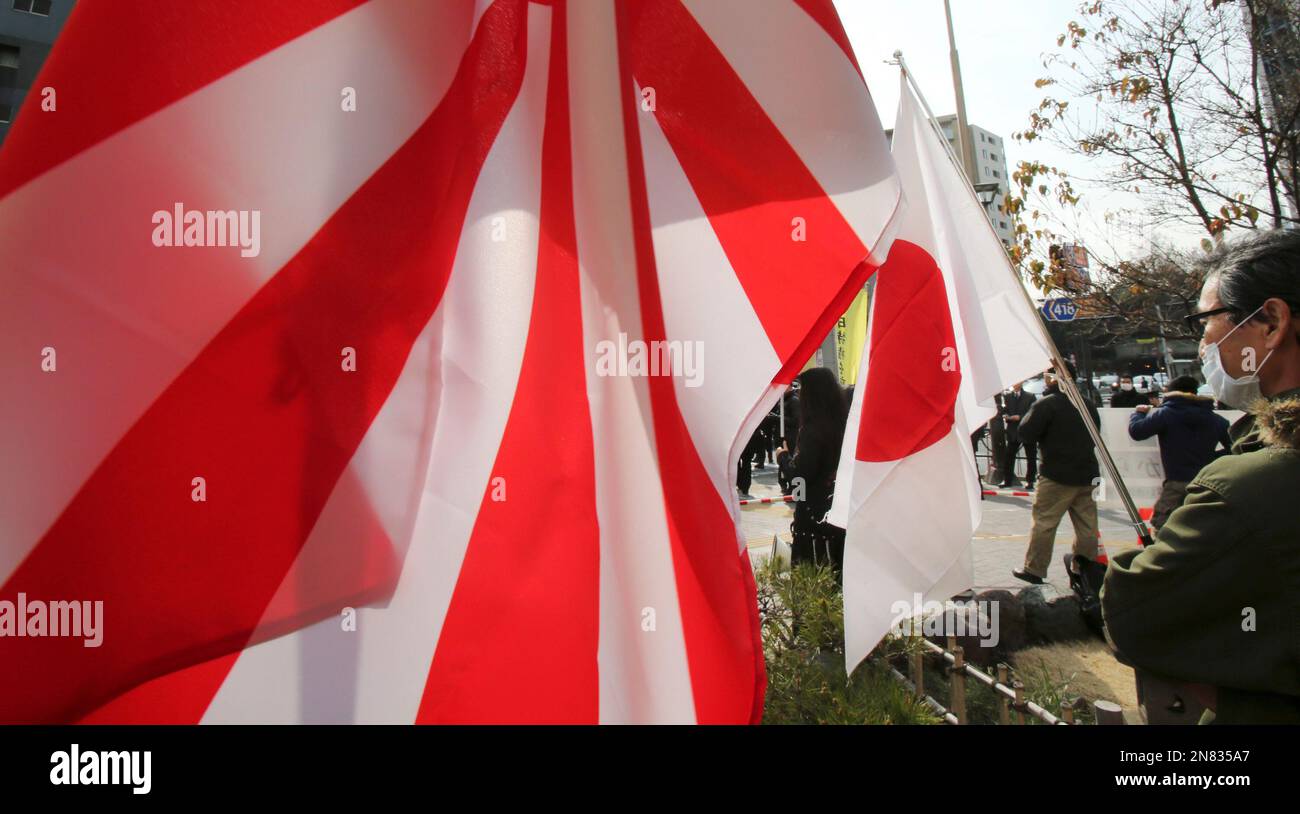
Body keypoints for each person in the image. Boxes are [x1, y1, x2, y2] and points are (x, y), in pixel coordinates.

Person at [1102, 229, 1300, 724]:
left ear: (1271, 322)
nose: (1205, 344)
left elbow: (1134, 613)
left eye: (1206, 323)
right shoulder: (1228, 432)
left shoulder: (1249, 488)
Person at [1011, 361, 1102, 584]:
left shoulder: (1047, 404)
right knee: (1087, 525)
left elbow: (1025, 432)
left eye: (1047, 375)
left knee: (1045, 522)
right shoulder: (1086, 403)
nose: (1045, 378)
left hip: (1056, 474)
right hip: (1088, 472)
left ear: (1055, 377)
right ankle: (1084, 572)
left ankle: (1035, 569)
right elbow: (1096, 432)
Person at [1126, 375, 1231, 531]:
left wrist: (1138, 414)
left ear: (1171, 393)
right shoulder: (1215, 419)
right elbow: (1233, 447)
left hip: (1176, 482)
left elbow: (1137, 432)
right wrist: (1212, 459)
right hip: (1206, 482)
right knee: (1205, 526)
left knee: (1163, 525)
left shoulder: (1166, 414)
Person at [777, 367, 847, 573]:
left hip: (812, 519)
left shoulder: (812, 431)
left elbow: (799, 476)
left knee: (810, 579)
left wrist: (783, 457)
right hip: (836, 513)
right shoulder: (844, 425)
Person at [997, 381, 1037, 489]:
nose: (1015, 384)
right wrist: (1005, 415)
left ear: (1022, 383)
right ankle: (1007, 480)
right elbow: (1004, 410)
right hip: (1013, 431)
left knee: (1031, 457)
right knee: (1009, 456)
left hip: (1027, 430)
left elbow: (1033, 413)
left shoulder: (1030, 396)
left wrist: (1020, 417)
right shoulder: (1008, 397)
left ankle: (1030, 481)